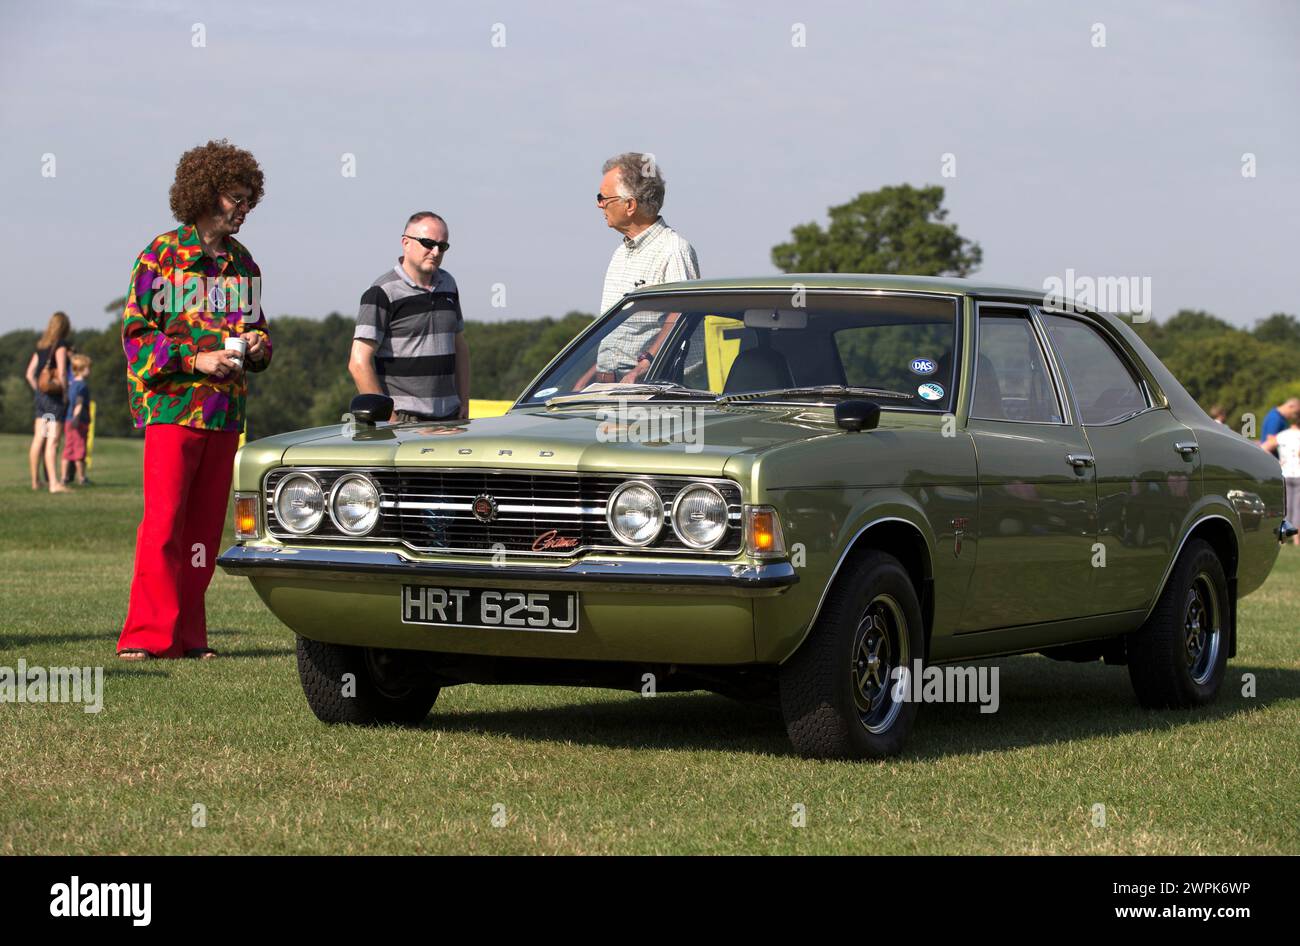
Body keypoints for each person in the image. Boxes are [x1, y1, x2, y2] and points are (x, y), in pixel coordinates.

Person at [116, 140, 273, 661]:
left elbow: (261, 334)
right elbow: (136, 335)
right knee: (164, 523)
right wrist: (194, 359)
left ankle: (187, 637)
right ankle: (145, 636)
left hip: (226, 413)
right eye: (236, 198)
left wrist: (255, 346)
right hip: (173, 408)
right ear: (207, 193)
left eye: (249, 199)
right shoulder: (160, 255)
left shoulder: (244, 265)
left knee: (205, 531)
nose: (244, 209)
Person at [576, 152, 700, 388]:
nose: (599, 204)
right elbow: (616, 334)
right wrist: (588, 376)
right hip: (612, 386)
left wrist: (643, 366)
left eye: (603, 198)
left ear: (630, 205)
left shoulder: (673, 249)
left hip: (648, 388)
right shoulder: (620, 254)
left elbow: (684, 316)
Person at [349, 211, 470, 423]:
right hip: (405, 422)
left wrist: (464, 401)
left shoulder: (449, 285)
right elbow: (358, 363)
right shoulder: (381, 292)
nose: (435, 251)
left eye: (442, 246)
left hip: (451, 421)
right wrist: (389, 419)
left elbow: (459, 346)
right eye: (428, 243)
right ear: (405, 243)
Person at [25, 311, 72, 494]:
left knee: (39, 438)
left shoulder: (41, 346)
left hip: (42, 400)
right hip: (54, 400)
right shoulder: (60, 345)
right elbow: (61, 373)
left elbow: (29, 374)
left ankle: (36, 481)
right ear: (64, 327)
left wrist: (39, 391)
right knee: (52, 441)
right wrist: (66, 394)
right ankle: (54, 483)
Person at [62, 354, 93, 486]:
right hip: (78, 421)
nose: (90, 371)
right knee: (80, 450)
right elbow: (79, 402)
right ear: (81, 369)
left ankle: (63, 477)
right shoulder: (82, 386)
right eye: (88, 368)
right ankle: (82, 478)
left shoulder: (72, 384)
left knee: (68, 449)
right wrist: (77, 418)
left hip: (68, 420)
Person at [1278, 418, 1300, 547]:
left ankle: (1284, 539)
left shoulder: (1282, 435)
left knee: (1286, 507)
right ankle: (1297, 540)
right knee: (1297, 508)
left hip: (1285, 473)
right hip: (1298, 474)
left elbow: (1265, 446)